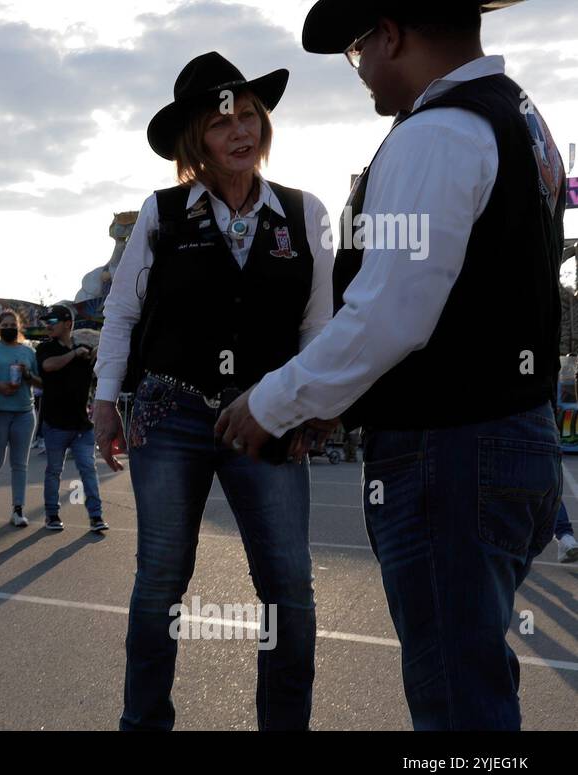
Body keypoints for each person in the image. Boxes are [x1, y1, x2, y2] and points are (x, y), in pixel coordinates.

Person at [217, 2, 565, 731]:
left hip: (451, 452)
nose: (360, 70)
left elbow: (390, 314)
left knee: (453, 701)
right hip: (509, 438)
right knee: (473, 675)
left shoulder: (434, 132)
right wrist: (337, 403)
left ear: (391, 35)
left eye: (354, 49)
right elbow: (460, 304)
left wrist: (275, 401)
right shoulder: (523, 120)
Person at [95, 51, 335, 731]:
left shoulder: (305, 211)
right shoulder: (162, 213)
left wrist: (310, 404)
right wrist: (107, 399)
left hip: (270, 411)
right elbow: (122, 312)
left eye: (251, 115)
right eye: (223, 120)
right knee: (162, 578)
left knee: (288, 583)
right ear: (196, 138)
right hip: (169, 409)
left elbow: (317, 324)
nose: (242, 130)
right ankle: (144, 723)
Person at [37, 304, 108, 532]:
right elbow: (48, 366)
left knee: (88, 468)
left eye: (52, 321)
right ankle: (52, 515)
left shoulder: (84, 351)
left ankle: (96, 517)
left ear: (68, 323)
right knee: (54, 471)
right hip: (55, 423)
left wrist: (96, 354)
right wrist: (74, 354)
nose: (48, 326)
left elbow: (101, 369)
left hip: (81, 425)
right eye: (46, 322)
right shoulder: (45, 348)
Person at [0, 311, 41, 527]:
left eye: (12, 324)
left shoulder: (28, 352)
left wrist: (27, 376)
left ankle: (18, 510)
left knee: (20, 464)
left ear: (18, 326)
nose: (8, 327)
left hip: (24, 412)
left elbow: (40, 383)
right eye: (4, 324)